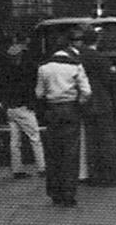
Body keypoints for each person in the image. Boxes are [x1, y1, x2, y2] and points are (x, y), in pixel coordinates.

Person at [34, 30, 91, 208]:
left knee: (53, 152)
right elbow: (87, 92)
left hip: (52, 111)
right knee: (71, 153)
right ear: (67, 47)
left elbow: (39, 93)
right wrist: (78, 102)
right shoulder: (75, 66)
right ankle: (69, 194)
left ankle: (55, 193)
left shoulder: (44, 68)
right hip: (70, 110)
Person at [75, 27, 116, 186]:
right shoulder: (100, 58)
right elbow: (109, 81)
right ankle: (108, 176)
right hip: (102, 102)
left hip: (85, 102)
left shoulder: (78, 57)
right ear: (97, 40)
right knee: (107, 141)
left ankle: (93, 175)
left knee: (91, 141)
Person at [2, 39, 46, 179]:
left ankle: (17, 169)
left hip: (10, 107)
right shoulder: (28, 69)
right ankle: (42, 167)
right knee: (35, 137)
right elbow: (31, 88)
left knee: (14, 141)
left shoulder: (7, 70)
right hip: (23, 108)